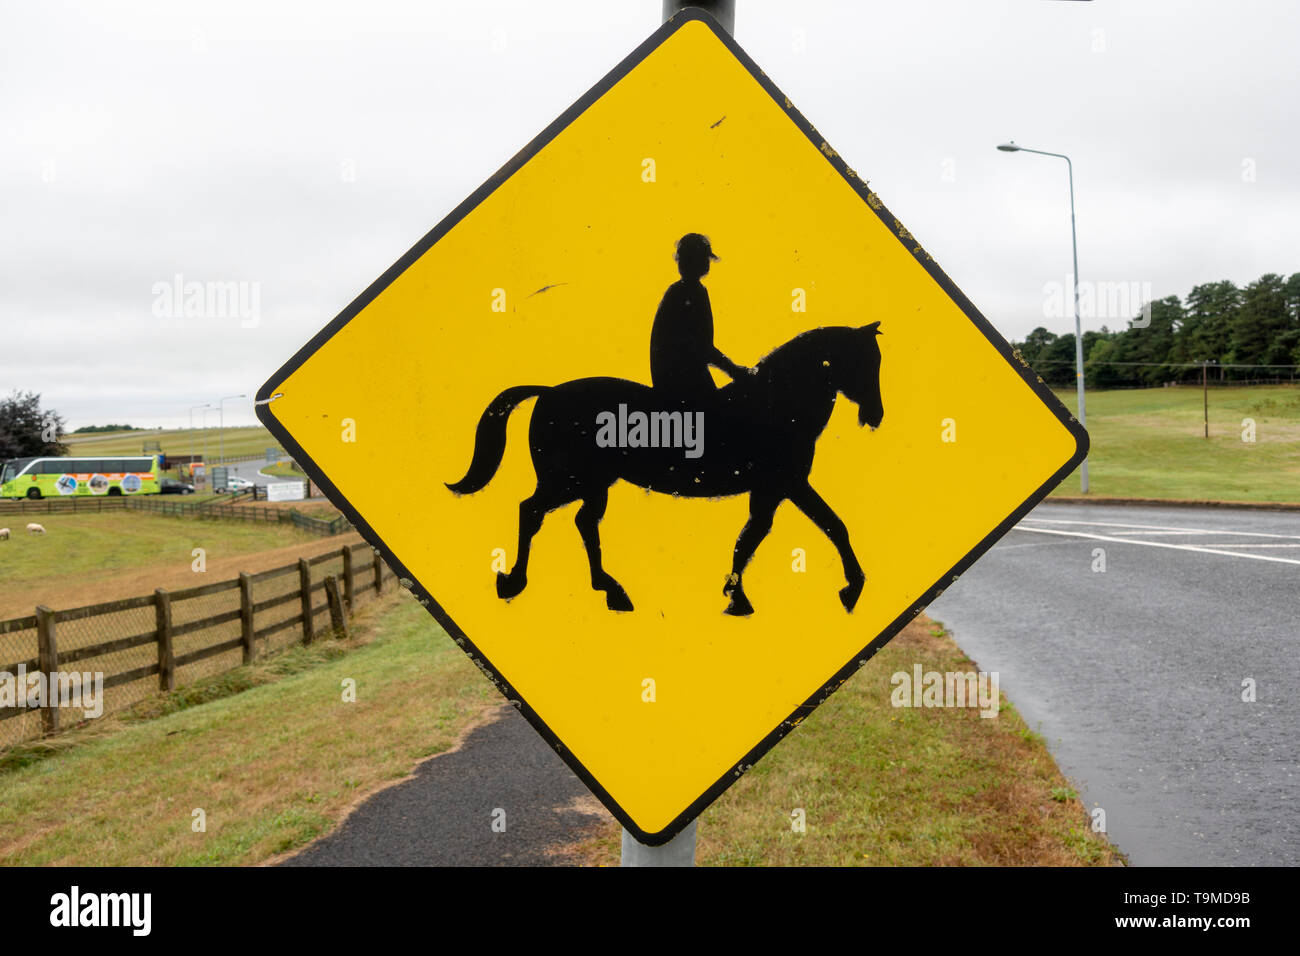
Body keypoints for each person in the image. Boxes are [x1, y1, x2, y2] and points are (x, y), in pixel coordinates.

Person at [649, 233, 751, 405]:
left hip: (670, 376)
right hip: (683, 379)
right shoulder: (694, 293)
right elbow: (703, 348)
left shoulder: (677, 291)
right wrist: (734, 370)